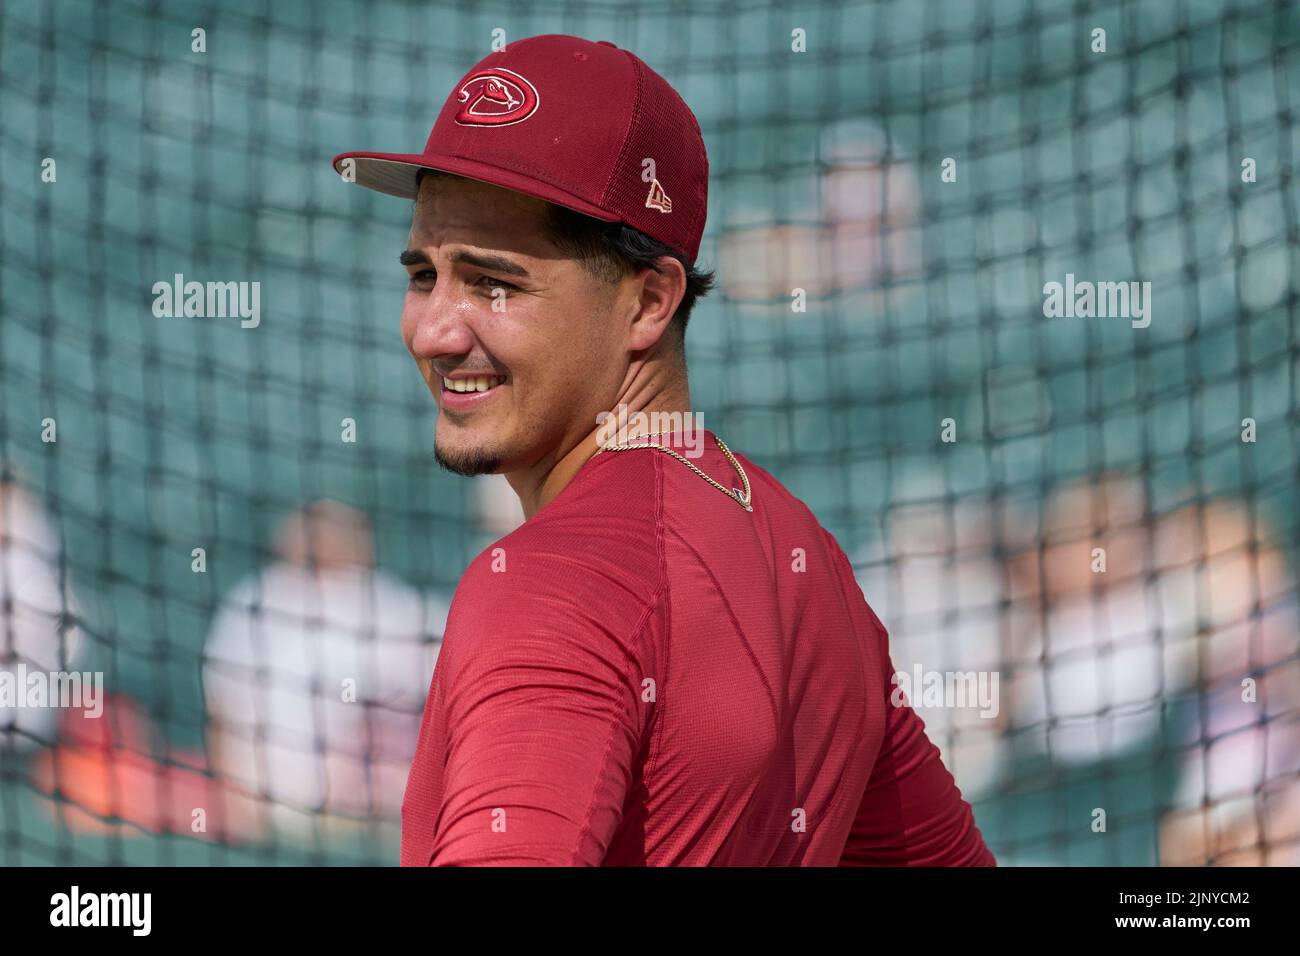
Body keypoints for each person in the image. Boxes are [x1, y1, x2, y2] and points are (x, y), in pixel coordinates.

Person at [332, 34, 993, 866]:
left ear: (649, 301)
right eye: (423, 274)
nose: (433, 331)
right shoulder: (808, 559)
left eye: (493, 283)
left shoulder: (550, 586)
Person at [202, 499, 444, 842]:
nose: (318, 536)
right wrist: (234, 807)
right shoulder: (257, 599)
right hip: (279, 818)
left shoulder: (403, 607)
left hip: (382, 822)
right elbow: (221, 709)